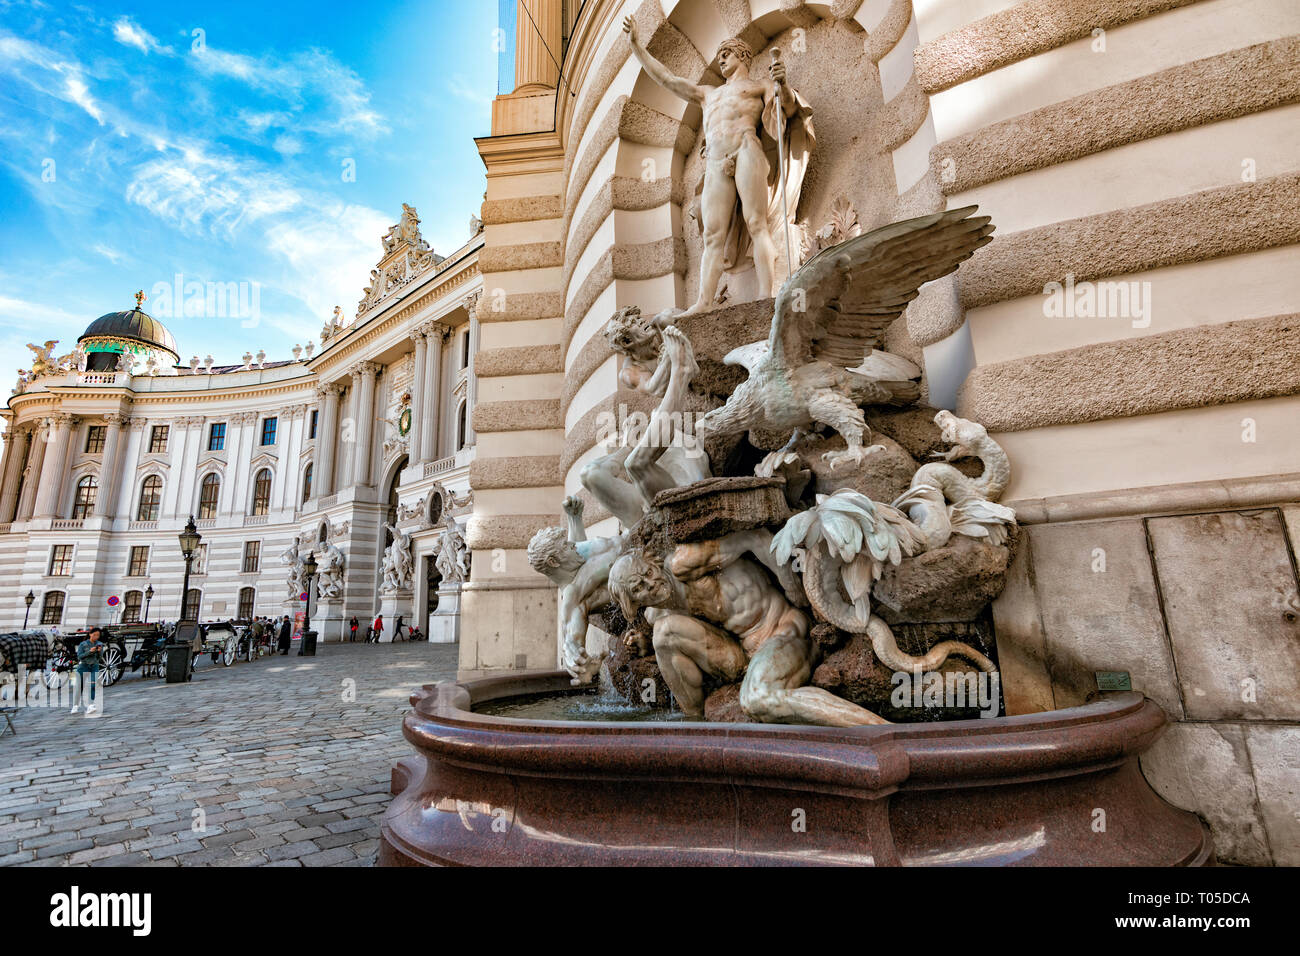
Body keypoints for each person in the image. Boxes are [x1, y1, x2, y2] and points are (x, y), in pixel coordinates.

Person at [72, 627, 107, 715]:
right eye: (94, 634)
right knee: (79, 687)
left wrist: (99, 651)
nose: (96, 637)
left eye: (98, 635)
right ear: (90, 634)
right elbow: (79, 657)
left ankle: (91, 705)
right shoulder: (83, 644)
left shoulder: (99, 644)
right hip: (83, 666)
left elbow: (99, 658)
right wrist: (90, 652)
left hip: (94, 666)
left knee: (92, 685)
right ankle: (75, 705)